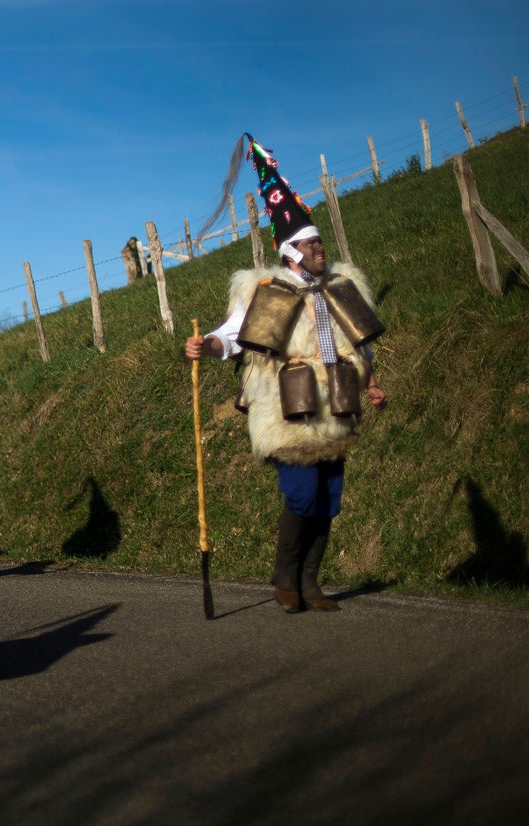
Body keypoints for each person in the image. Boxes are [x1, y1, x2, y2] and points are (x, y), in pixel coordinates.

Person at [185, 133, 388, 614]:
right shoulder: (266, 290)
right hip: (285, 409)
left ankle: (311, 582)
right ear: (292, 252)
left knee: (329, 500)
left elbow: (357, 347)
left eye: (320, 242)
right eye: (313, 244)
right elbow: (232, 336)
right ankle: (285, 575)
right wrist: (206, 345)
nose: (321, 248)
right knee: (301, 496)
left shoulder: (340, 287)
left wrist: (372, 383)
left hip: (336, 406)